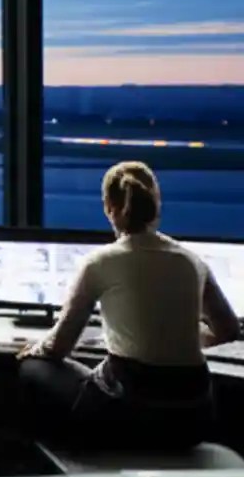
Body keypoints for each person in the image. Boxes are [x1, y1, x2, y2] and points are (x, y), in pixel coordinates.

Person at [17, 161, 240, 449]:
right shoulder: (192, 261)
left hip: (129, 414)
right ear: (157, 205)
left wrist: (35, 349)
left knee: (33, 367)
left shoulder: (99, 262)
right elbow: (228, 330)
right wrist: (182, 335)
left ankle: (55, 459)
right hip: (193, 419)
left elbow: (59, 346)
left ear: (108, 208)